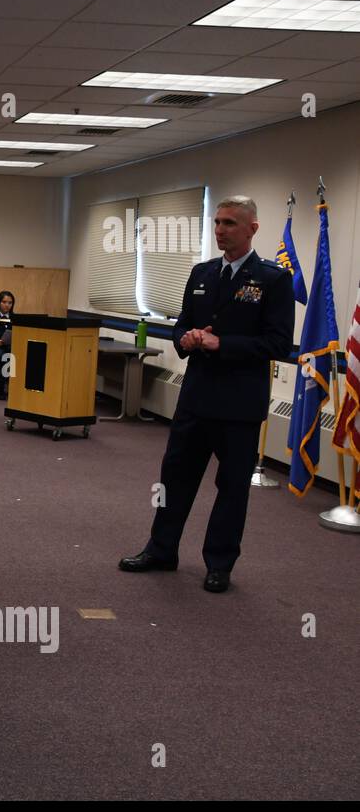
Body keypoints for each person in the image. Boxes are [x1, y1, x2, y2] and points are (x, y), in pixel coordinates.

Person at [119, 195, 293, 593]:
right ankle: (161, 549)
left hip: (239, 406)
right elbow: (181, 327)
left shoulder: (273, 279)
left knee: (231, 490)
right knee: (173, 480)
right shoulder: (201, 274)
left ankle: (219, 564)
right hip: (196, 400)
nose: (220, 230)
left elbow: (279, 343)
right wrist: (187, 338)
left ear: (252, 228)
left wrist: (223, 345)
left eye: (230, 223)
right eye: (217, 222)